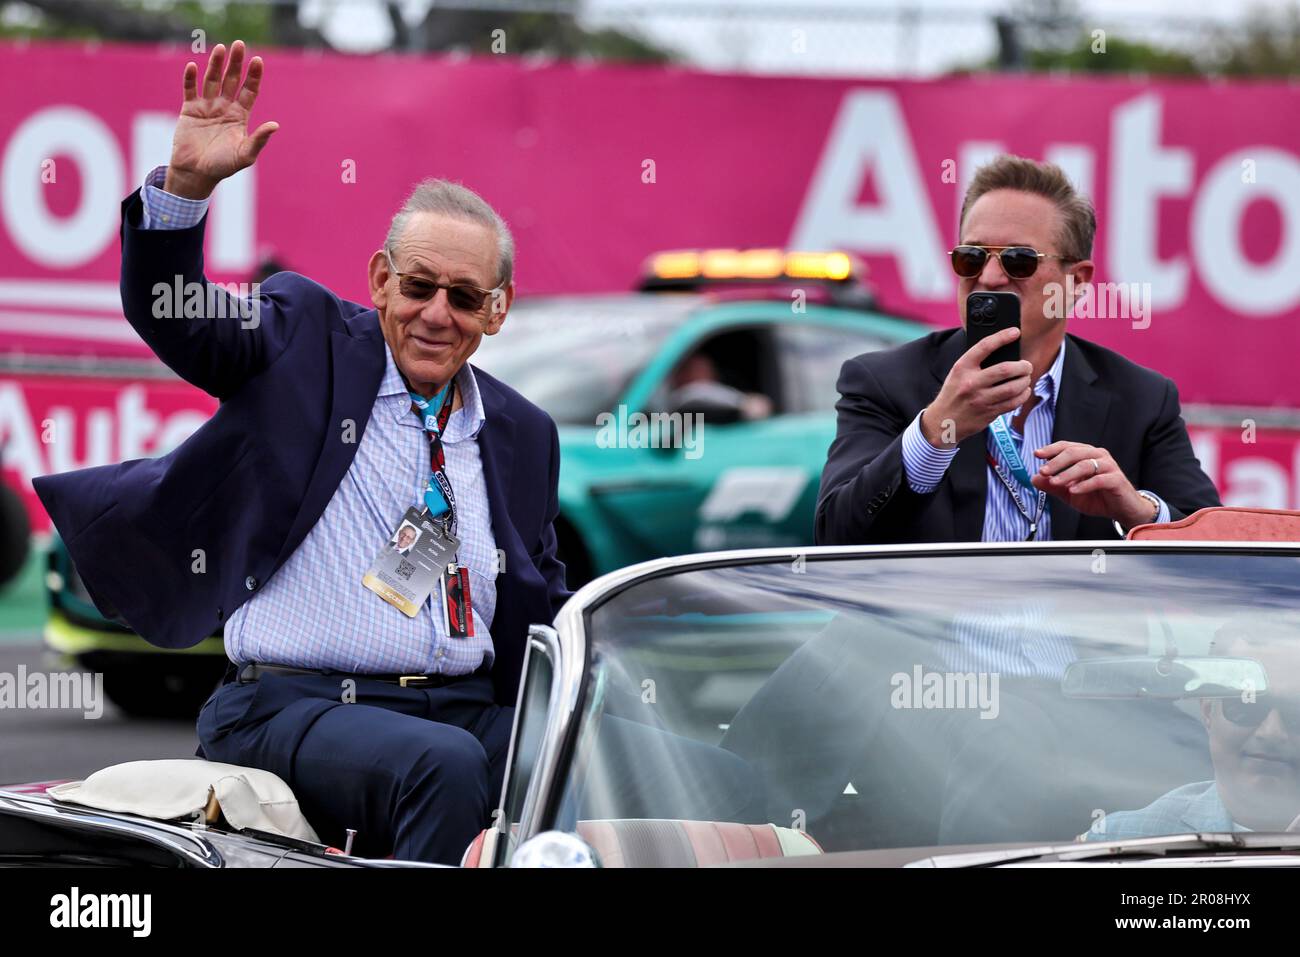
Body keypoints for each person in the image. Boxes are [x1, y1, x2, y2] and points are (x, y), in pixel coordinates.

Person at [32, 41, 571, 865]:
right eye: (419, 285)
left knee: (605, 754)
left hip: (462, 704)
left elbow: (544, 594)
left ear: (496, 312)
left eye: (464, 297)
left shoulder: (524, 431)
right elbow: (172, 314)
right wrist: (186, 192)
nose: (436, 312)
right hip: (289, 702)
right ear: (379, 277)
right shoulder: (303, 339)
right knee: (448, 767)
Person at [816, 154, 1220, 545]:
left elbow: (1214, 545)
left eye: (1019, 260)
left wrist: (1137, 512)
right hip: (929, 616)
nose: (989, 278)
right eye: (971, 257)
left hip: (1074, 616)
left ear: (1076, 282)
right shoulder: (882, 381)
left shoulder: (1143, 398)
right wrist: (934, 432)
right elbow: (835, 534)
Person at [1085, 616, 1300, 839]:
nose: (1272, 732)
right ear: (1208, 711)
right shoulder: (1118, 841)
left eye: (1296, 710)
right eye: (1248, 703)